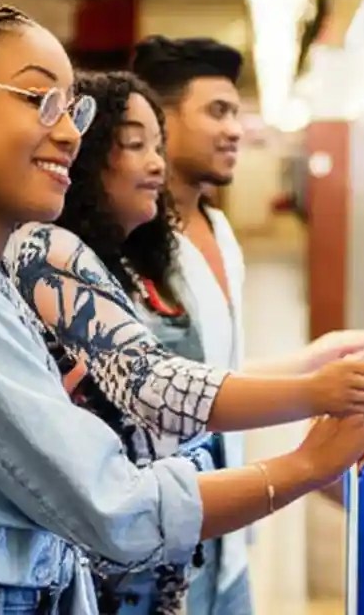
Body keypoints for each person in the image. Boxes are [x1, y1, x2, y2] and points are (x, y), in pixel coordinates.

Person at [0, 0, 364, 614]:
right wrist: (305, 465)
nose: (69, 133)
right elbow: (115, 506)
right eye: (39, 99)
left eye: (73, 110)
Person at [5, 71, 364, 614]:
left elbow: (197, 375)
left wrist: (312, 370)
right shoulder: (44, 253)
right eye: (133, 146)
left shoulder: (131, 265)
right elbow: (157, 388)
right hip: (112, 573)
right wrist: (315, 408)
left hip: (166, 563)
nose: (156, 165)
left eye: (158, 147)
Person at [129, 36, 273, 614]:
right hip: (164, 544)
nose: (234, 129)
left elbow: (220, 375)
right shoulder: (130, 248)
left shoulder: (219, 228)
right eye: (216, 111)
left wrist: (324, 365)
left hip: (229, 532)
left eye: (236, 112)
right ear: (161, 121)